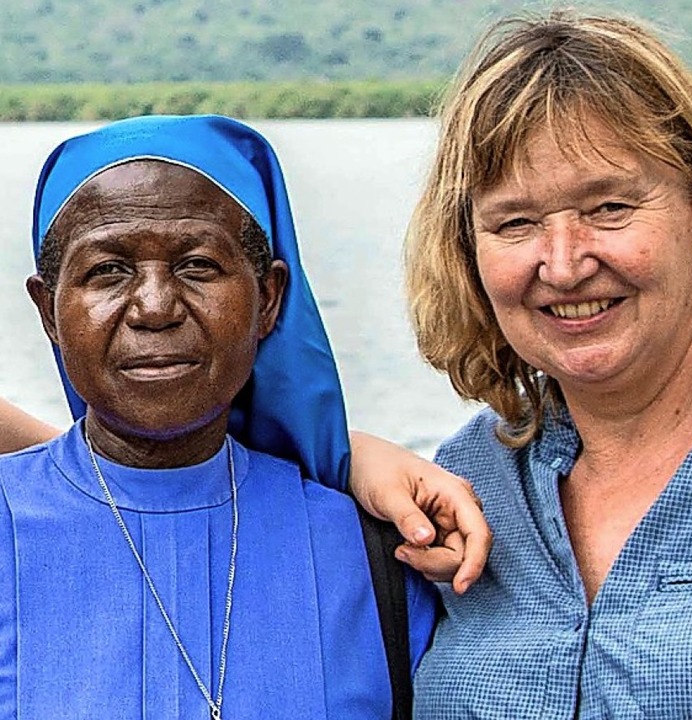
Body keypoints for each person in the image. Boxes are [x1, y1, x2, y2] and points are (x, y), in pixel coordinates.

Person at [348, 8, 692, 718]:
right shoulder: (470, 482)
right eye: (514, 223)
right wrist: (344, 455)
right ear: (468, 253)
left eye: (607, 207)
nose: (564, 263)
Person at [0, 114, 444, 719]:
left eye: (198, 266)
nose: (154, 307)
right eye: (108, 271)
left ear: (269, 300)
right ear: (49, 312)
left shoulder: (379, 558)